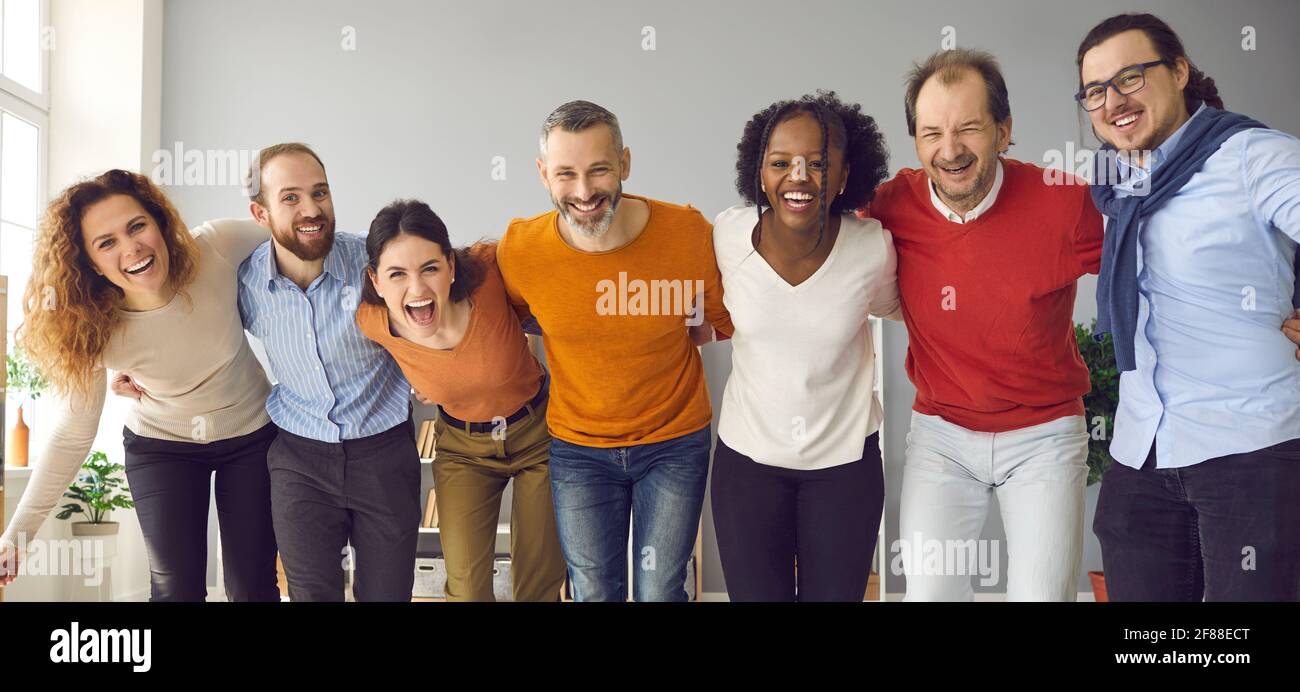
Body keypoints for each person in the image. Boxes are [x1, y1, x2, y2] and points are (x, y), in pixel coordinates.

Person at [865, 49, 1104, 601]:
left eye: (968, 128)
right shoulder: (890, 205)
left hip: (1044, 437)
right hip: (942, 437)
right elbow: (825, 251)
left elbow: (1152, 264)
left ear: (1004, 130)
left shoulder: (1064, 201)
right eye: (931, 133)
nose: (949, 150)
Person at [1079, 13, 1300, 601]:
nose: (1113, 101)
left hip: (1250, 447)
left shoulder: (1253, 157)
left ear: (1179, 72)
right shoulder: (1111, 185)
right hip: (1141, 448)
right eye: (1096, 90)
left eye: (1130, 77)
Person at [0, 169, 278, 602]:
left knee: (251, 585)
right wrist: (17, 536)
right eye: (106, 243)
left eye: (137, 226)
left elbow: (292, 236)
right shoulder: (91, 330)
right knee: (175, 590)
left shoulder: (217, 247)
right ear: (90, 262)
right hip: (162, 445)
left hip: (252, 434)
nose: (132, 248)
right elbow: (73, 434)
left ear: (159, 223)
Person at [496, 100, 732, 601]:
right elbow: (512, 318)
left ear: (624, 164)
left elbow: (719, 319)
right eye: (566, 174)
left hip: (674, 442)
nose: (583, 193)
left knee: (659, 588)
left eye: (599, 170)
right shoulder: (521, 249)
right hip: (578, 451)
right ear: (543, 174)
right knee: (594, 590)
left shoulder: (687, 233)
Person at [705, 91, 896, 601]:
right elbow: (706, 312)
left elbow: (898, 308)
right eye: (781, 162)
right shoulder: (728, 234)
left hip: (843, 469)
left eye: (818, 163)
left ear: (845, 173)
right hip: (747, 465)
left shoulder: (872, 247)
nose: (799, 176)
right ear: (759, 171)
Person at [234, 143, 420, 602]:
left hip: (384, 452)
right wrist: (133, 372)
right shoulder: (244, 284)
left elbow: (437, 296)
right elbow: (191, 326)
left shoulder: (374, 266)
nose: (311, 209)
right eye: (291, 198)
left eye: (320, 192)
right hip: (300, 460)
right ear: (260, 212)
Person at [355, 198, 565, 601]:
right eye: (397, 274)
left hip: (539, 435)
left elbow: (553, 300)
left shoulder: (490, 275)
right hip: (463, 450)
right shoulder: (374, 322)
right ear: (376, 281)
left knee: (538, 585)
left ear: (451, 265)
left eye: (429, 268)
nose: (417, 289)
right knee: (466, 589)